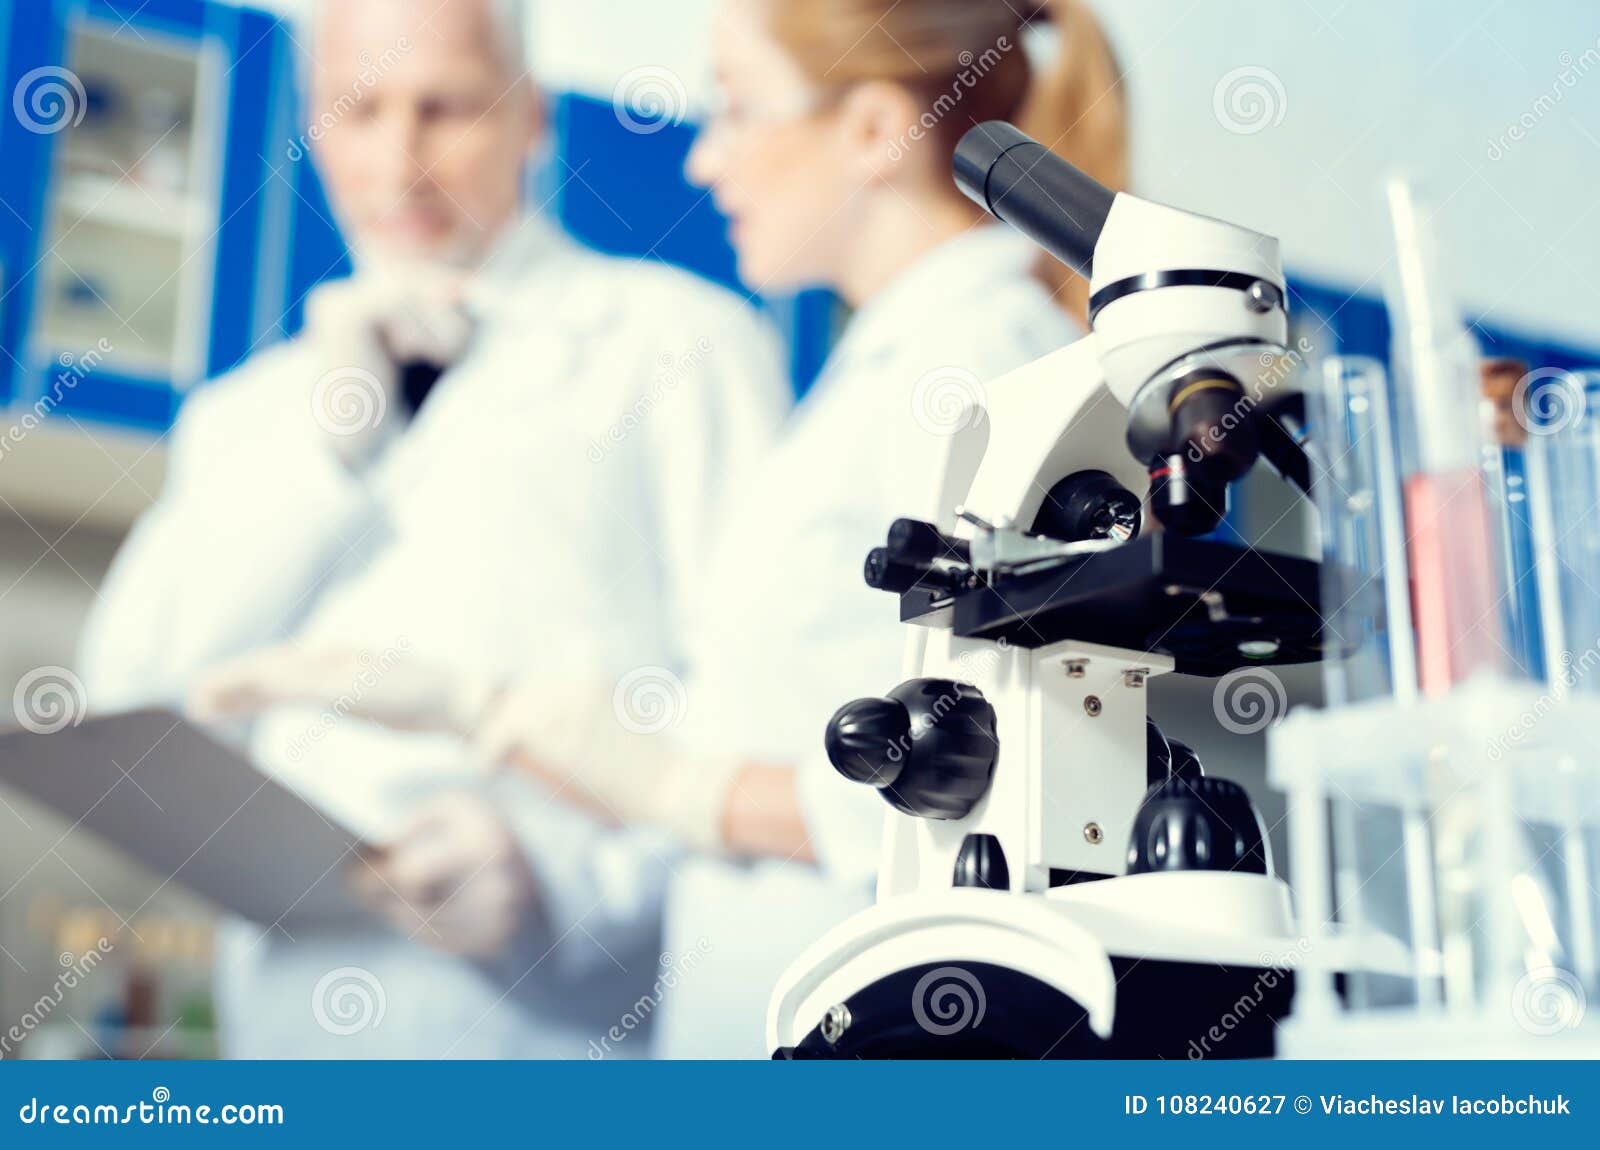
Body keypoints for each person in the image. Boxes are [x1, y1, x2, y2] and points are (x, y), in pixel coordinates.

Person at [196, 0, 1128, 1056]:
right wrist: (494, 712)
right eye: (356, 110)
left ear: (873, 130)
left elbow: (1030, 780)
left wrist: (673, 792)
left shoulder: (972, 366)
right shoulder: (891, 371)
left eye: (736, 109)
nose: (701, 159)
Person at [79, 0, 788, 1058]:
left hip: (562, 1042)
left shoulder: (679, 347)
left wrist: (559, 885)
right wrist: (326, 451)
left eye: (446, 108)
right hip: (290, 1038)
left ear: (531, 118)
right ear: (314, 127)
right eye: (359, 111)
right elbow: (129, 698)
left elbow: (763, 720)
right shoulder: (248, 416)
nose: (400, 161)